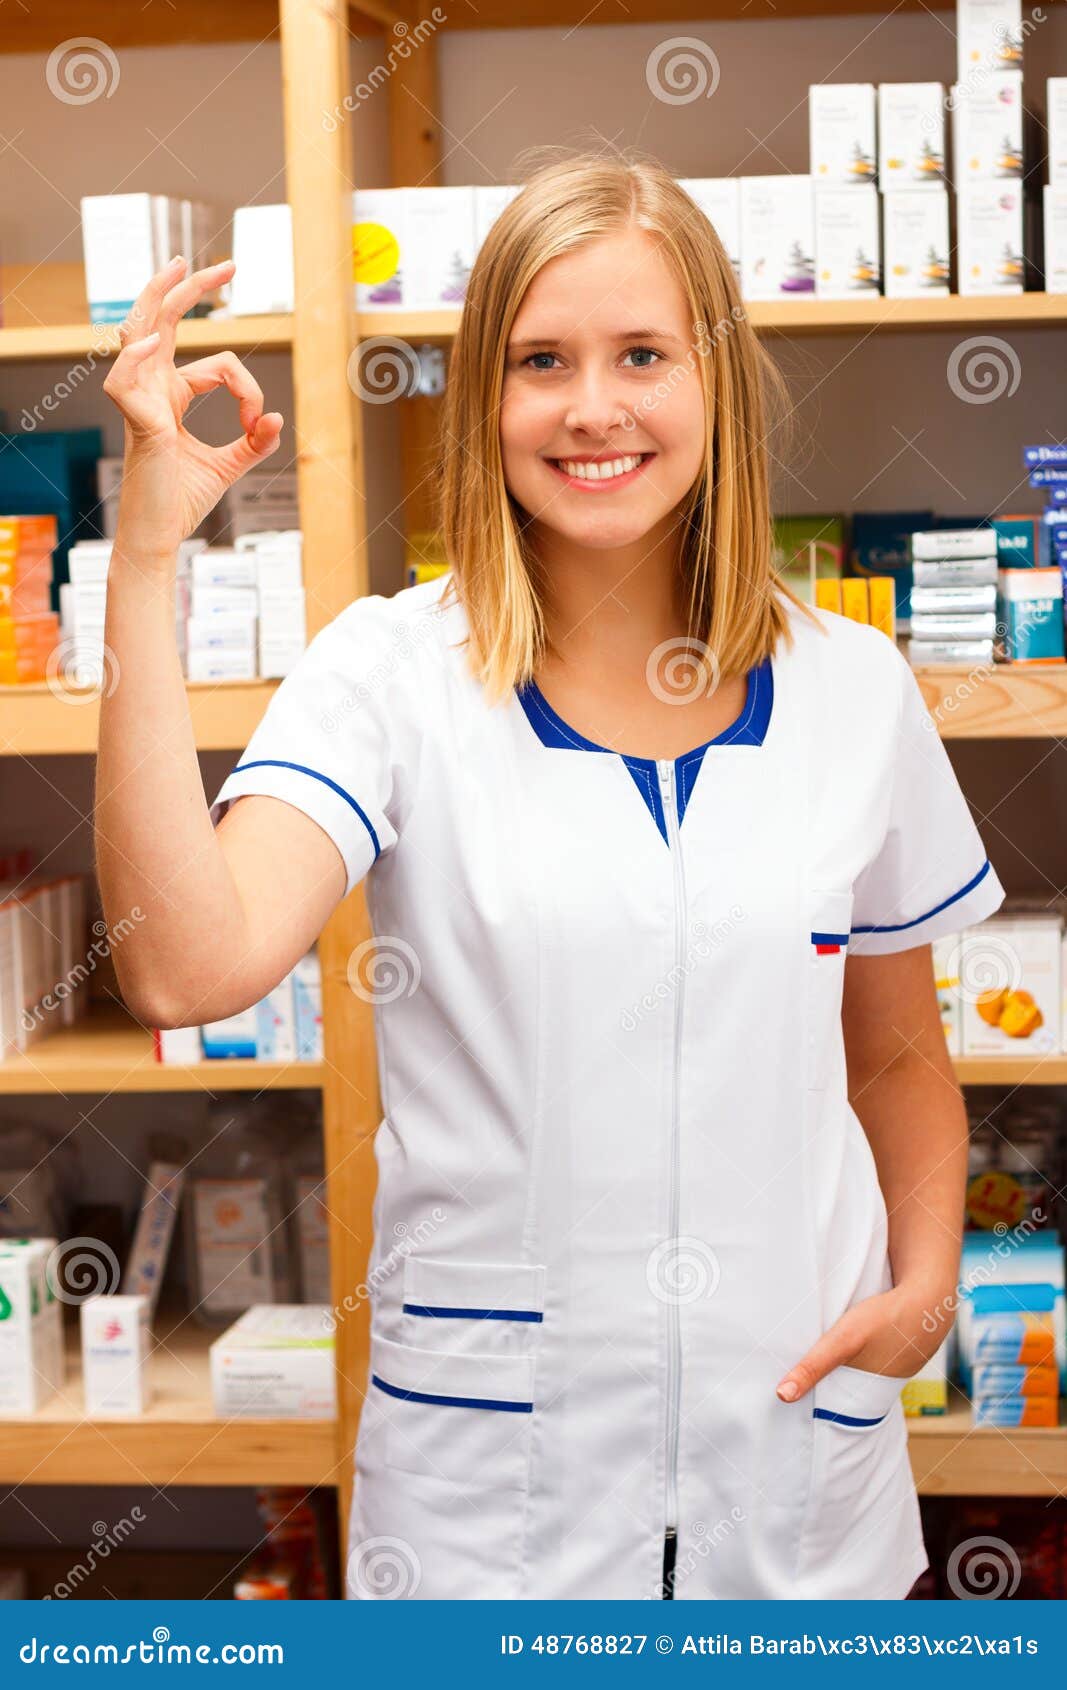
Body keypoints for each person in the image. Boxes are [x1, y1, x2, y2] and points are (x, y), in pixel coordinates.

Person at [96, 149, 1005, 1602]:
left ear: (714, 376)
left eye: (642, 352)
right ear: (485, 398)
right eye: (540, 360)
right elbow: (181, 965)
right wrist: (145, 561)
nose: (594, 407)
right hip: (490, 1517)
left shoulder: (855, 689)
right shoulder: (389, 676)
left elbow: (896, 1052)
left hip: (796, 1484)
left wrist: (924, 1285)